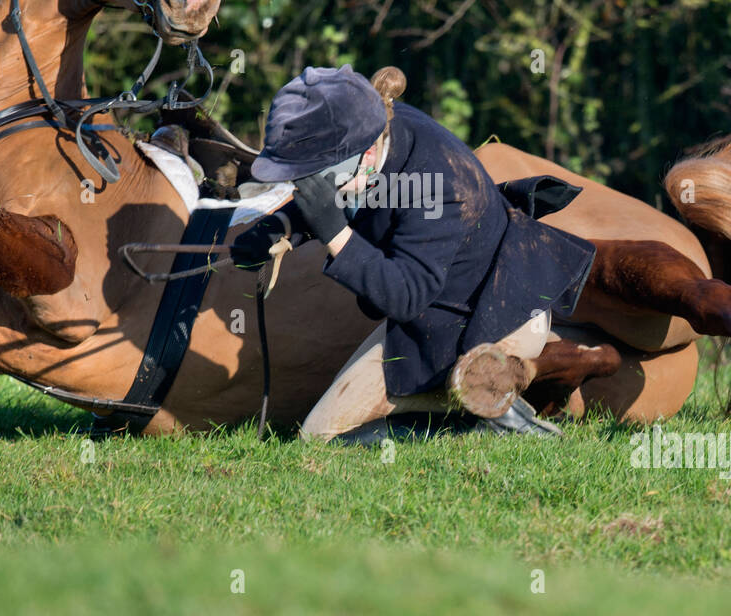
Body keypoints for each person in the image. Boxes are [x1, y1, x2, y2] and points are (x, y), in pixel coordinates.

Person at [231, 64, 596, 442]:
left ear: (366, 153)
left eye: (311, 175)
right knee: (319, 434)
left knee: (321, 440)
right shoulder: (375, 129)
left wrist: (334, 232)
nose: (302, 184)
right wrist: (279, 227)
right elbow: (327, 193)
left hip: (492, 319)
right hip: (436, 311)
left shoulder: (441, 186)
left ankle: (487, 420)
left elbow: (406, 297)